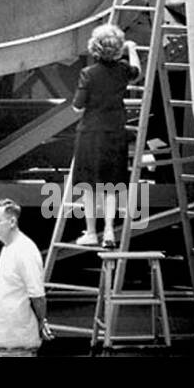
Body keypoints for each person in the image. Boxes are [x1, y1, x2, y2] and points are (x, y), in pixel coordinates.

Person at [70, 24, 142, 247]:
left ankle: (91, 233)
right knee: (110, 185)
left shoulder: (88, 74)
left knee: (89, 186)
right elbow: (137, 73)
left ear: (95, 48)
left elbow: (77, 107)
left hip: (90, 133)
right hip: (115, 132)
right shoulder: (123, 71)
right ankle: (109, 232)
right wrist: (131, 49)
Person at [0, 199, 53, 356]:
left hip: (20, 341)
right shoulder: (9, 248)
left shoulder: (24, 250)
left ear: (12, 222)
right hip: (10, 340)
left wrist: (40, 322)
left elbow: (38, 296)